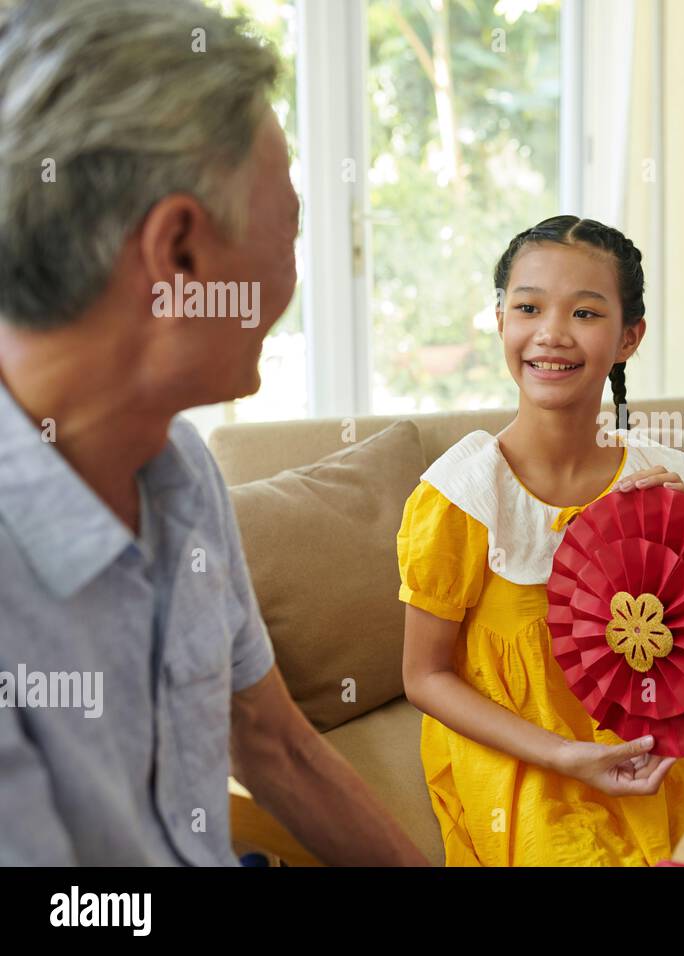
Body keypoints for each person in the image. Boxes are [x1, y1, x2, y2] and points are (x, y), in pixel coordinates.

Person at [0, 0, 425, 865]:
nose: (293, 278)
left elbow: (274, 743)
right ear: (181, 255)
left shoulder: (181, 472)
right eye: (292, 226)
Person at [398, 216, 684, 865]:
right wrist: (565, 755)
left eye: (584, 312)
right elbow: (424, 675)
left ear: (629, 336)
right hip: (526, 760)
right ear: (500, 319)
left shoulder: (666, 481)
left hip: (651, 750)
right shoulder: (463, 495)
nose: (551, 333)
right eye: (528, 307)